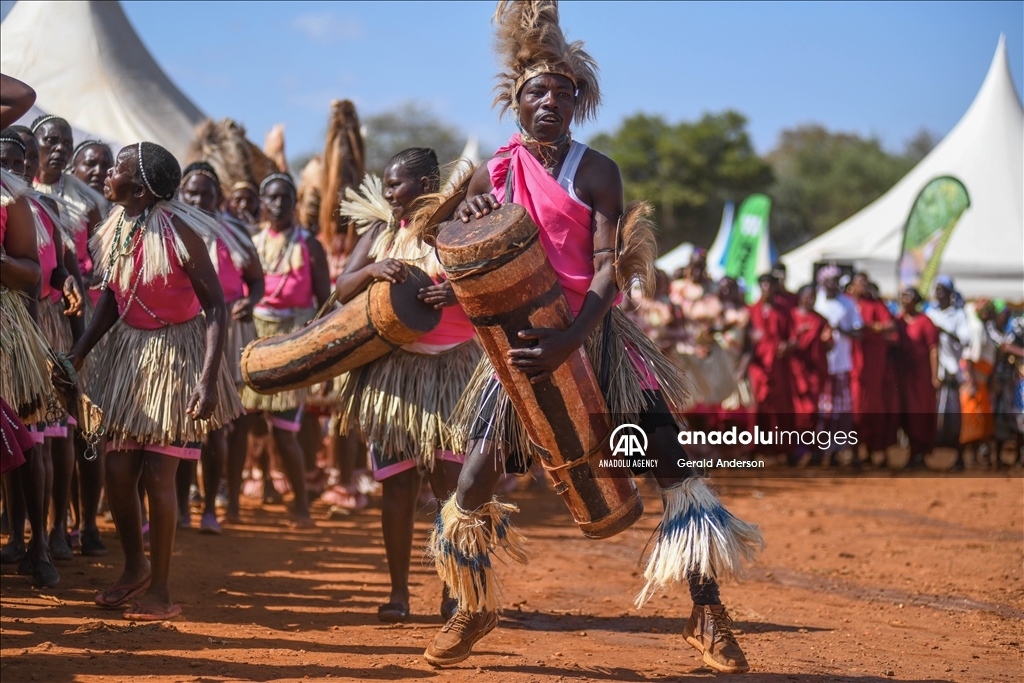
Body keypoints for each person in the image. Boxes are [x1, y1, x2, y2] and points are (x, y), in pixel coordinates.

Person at [422, 2, 761, 673]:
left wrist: (571, 340)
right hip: (519, 346)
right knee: (475, 477)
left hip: (596, 335)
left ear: (579, 101)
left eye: (563, 92)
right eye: (537, 92)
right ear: (515, 102)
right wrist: (468, 215)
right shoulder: (495, 172)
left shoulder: (597, 170)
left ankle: (707, 610)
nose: (550, 102)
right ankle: (470, 604)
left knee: (671, 460)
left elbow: (610, 270)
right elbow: (454, 243)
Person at [68, 142, 242, 620]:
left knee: (158, 475)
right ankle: (135, 567)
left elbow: (216, 306)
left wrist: (208, 379)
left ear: (141, 189)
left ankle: (161, 590)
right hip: (129, 355)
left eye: (118, 168)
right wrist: (80, 351)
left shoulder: (181, 233)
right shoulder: (118, 225)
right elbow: (111, 297)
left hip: (178, 358)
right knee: (118, 473)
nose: (108, 173)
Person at [334, 149, 482, 622]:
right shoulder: (382, 232)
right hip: (394, 375)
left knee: (451, 491)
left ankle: (454, 589)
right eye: (386, 184)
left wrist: (455, 293)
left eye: (395, 184)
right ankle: (398, 593)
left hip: (453, 372)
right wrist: (371, 271)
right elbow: (342, 287)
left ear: (425, 185)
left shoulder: (457, 229)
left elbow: (489, 285)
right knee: (397, 489)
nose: (388, 193)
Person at [1, 129, 84, 564]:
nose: (20, 167)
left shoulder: (46, 209)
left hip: (40, 325)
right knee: (15, 438)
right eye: (10, 161)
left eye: (26, 160)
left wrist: (67, 281)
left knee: (49, 437)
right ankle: (17, 536)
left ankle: (51, 535)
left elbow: (52, 270)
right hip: (16, 324)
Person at [239, 173, 330, 527]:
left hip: (293, 340)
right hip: (254, 338)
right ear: (262, 203)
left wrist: (319, 353)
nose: (278, 205)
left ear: (295, 202)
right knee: (245, 422)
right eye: (272, 198)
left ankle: (301, 505)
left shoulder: (309, 245)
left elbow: (325, 303)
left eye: (285, 198)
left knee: (284, 429)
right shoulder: (252, 243)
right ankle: (234, 503)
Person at [177, 162, 263, 532]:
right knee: (183, 423)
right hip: (184, 330)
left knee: (218, 424)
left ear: (218, 197)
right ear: (181, 194)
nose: (198, 200)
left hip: (228, 332)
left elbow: (256, 280)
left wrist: (250, 301)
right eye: (192, 193)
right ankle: (181, 507)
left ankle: (211, 507)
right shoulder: (170, 231)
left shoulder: (236, 233)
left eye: (206, 194)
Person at [0, 161, 62, 588]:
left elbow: (35, 273)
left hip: (8, 331)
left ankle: (39, 543)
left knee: (26, 440)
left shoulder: (10, 196)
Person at [814, 265, 862, 466]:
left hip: (841, 364)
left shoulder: (848, 304)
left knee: (839, 412)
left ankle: (835, 451)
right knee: (820, 411)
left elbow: (858, 331)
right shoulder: (816, 302)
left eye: (836, 280)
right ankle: (817, 451)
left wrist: (840, 329)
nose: (834, 284)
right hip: (819, 365)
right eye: (830, 280)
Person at [848, 272, 897, 459]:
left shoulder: (876, 305)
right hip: (851, 364)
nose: (863, 286)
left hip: (874, 366)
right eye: (860, 282)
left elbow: (890, 325)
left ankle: (872, 450)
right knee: (854, 408)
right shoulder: (846, 302)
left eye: (865, 282)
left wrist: (870, 327)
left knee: (874, 408)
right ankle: (853, 452)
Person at [925, 275, 970, 469]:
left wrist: (942, 330)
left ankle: (959, 457)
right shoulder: (930, 312)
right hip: (934, 372)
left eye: (943, 289)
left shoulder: (958, 315)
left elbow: (965, 340)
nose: (939, 293)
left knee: (955, 417)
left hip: (952, 373)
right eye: (937, 289)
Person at [747, 274, 794, 454]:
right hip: (758, 366)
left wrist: (787, 345)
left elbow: (792, 338)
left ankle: (780, 447)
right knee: (756, 404)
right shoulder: (751, 310)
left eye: (769, 286)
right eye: (763, 286)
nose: (766, 290)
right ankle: (753, 447)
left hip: (778, 365)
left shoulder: (784, 311)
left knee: (779, 404)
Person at [895, 289, 939, 469]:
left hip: (921, 376)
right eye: (903, 296)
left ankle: (920, 453)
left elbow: (933, 349)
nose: (904, 300)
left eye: (908, 297)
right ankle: (912, 452)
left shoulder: (925, 322)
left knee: (919, 413)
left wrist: (935, 376)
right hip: (902, 375)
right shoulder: (898, 321)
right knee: (904, 413)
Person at [789, 285, 831, 464]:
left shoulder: (821, 320)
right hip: (794, 371)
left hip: (814, 373)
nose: (810, 300)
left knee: (811, 410)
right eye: (807, 296)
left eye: (813, 296)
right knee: (794, 411)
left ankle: (811, 449)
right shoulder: (791, 316)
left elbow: (829, 345)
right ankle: (793, 450)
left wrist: (827, 340)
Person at [960, 299, 997, 466]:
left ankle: (977, 457)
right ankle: (970, 457)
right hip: (975, 382)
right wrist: (972, 383)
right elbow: (968, 357)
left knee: (982, 419)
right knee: (974, 418)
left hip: (981, 381)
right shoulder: (976, 328)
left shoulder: (984, 328)